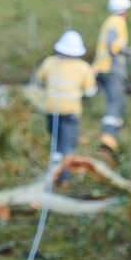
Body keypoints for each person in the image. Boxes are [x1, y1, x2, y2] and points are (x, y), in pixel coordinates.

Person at [30, 30, 98, 166]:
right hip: (70, 112)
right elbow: (90, 92)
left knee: (54, 145)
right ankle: (63, 175)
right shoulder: (83, 67)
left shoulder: (49, 62)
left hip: (51, 110)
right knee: (67, 148)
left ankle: (53, 170)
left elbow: (39, 83)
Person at [92, 0, 131, 153]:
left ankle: (111, 136)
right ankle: (109, 138)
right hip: (111, 67)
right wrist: (124, 51)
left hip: (101, 67)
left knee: (111, 101)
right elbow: (112, 43)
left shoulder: (108, 21)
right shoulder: (118, 21)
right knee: (116, 102)